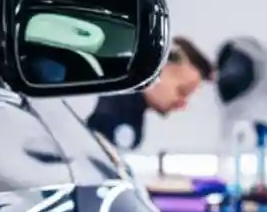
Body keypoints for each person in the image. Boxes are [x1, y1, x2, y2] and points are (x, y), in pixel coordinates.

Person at [86, 36, 214, 151]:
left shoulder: (133, 121)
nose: (182, 104)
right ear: (157, 67)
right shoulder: (101, 97)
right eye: (182, 91)